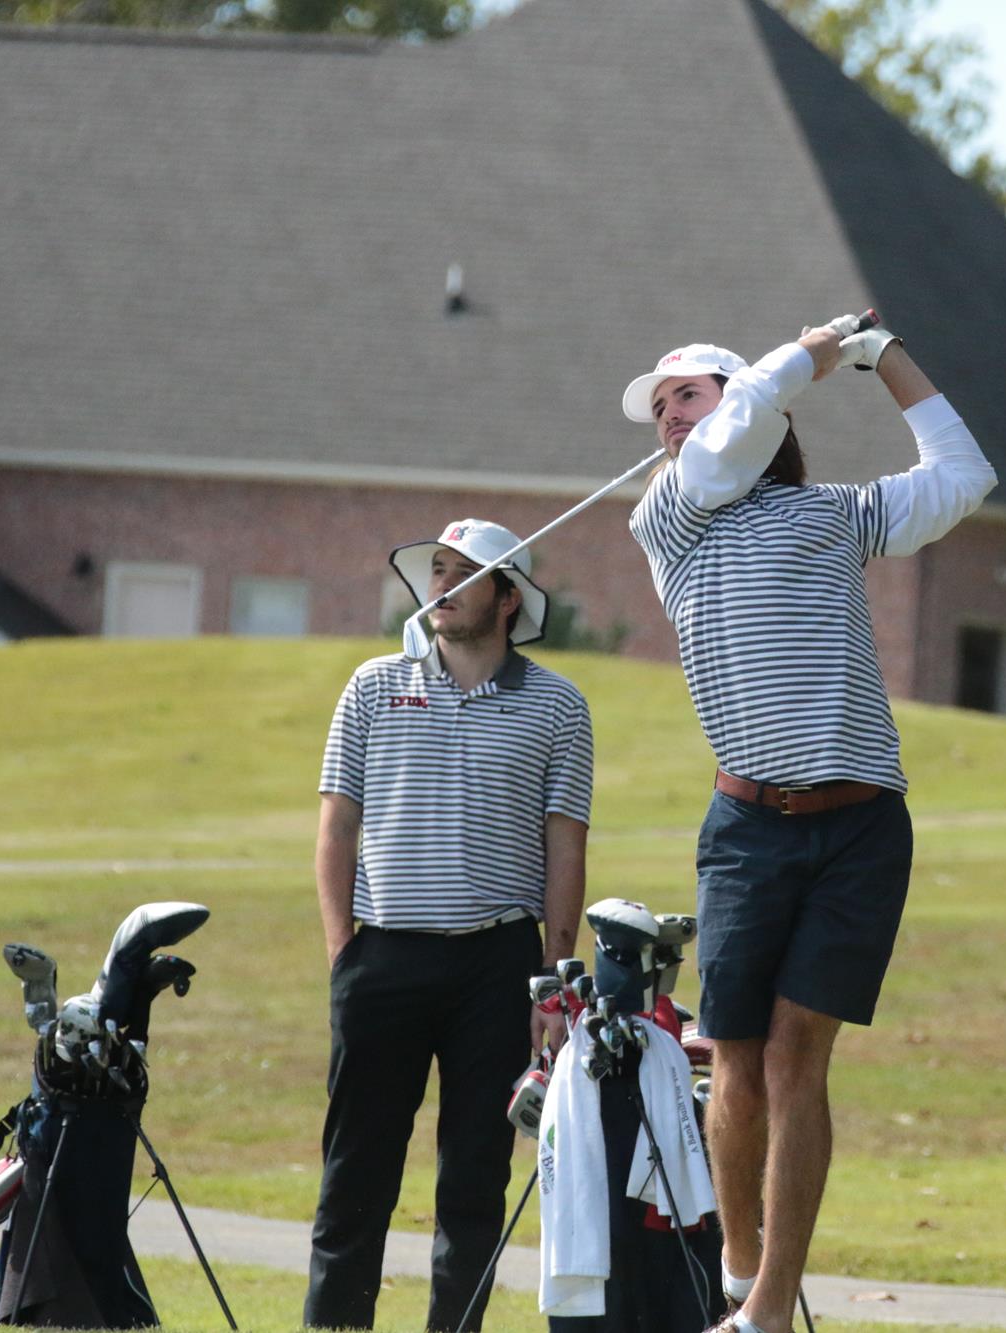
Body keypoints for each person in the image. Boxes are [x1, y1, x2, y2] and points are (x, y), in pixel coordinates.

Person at [620, 317, 995, 1333]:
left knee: (795, 1056)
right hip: (746, 827)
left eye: (682, 394)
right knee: (733, 1056)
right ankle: (742, 1269)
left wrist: (880, 361)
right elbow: (724, 443)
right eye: (658, 410)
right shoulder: (667, 521)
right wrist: (811, 347)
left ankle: (770, 1305)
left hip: (860, 824)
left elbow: (963, 476)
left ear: (741, 396)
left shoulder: (832, 515)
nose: (669, 421)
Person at [304, 519, 592, 1333]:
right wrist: (342, 953)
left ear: (509, 600)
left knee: (474, 1182)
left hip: (497, 965)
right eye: (437, 570)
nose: (443, 585)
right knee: (354, 1174)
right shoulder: (370, 685)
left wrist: (552, 979)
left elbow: (564, 848)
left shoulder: (559, 706)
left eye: (466, 575)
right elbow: (336, 829)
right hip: (383, 952)